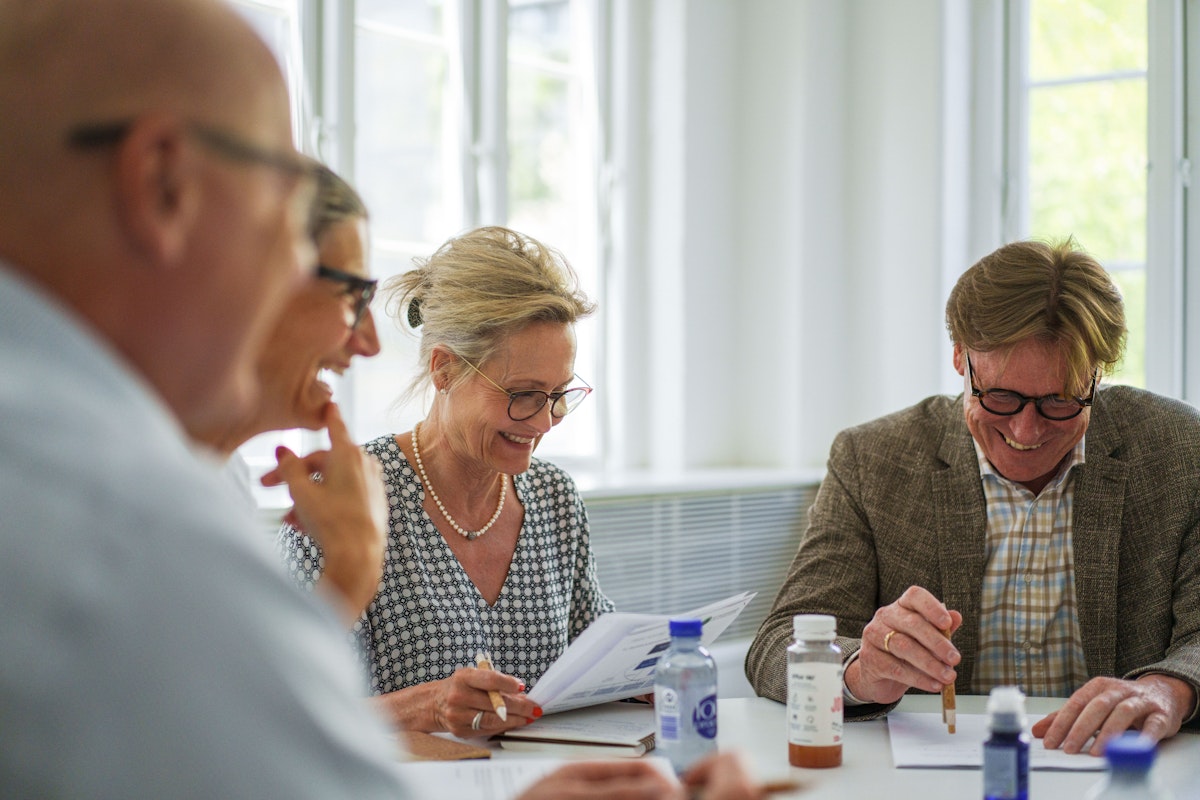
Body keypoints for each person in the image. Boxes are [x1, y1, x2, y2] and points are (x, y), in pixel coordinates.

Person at [0, 1, 762, 797]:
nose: (364, 343)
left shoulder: (158, 485)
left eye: (557, 397)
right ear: (164, 186)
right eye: (282, 222)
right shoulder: (144, 523)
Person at [745, 239, 1200, 757]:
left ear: (1099, 372)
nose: (1026, 431)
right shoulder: (873, 460)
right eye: (1001, 396)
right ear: (961, 356)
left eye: (1059, 401)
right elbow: (777, 644)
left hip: (1119, 771)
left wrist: (1168, 688)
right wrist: (859, 670)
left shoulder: (1178, 450)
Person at [280, 225, 614, 739]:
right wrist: (426, 708)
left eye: (558, 395)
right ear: (445, 370)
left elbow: (600, 651)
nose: (545, 422)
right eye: (523, 394)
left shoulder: (555, 498)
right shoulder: (344, 499)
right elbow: (286, 710)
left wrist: (644, 674)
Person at [189, 162, 387, 622]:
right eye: (353, 296)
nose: (370, 343)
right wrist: (354, 563)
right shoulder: (129, 487)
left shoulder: (225, 477)